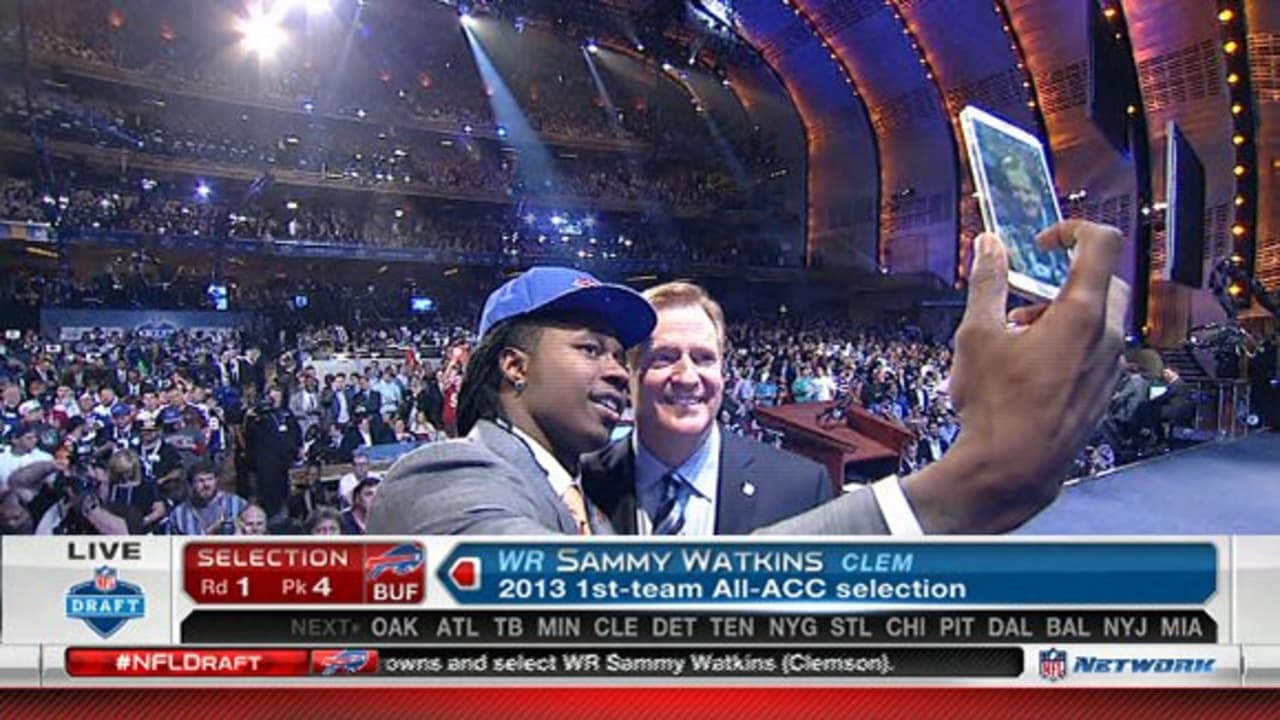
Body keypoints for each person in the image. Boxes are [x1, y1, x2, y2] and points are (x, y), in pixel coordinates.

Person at [371, 220, 1128, 535]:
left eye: (616, 353)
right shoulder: (446, 476)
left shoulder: (572, 491)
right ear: (514, 365)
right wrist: (958, 485)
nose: (615, 371)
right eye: (593, 349)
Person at [581, 281, 833, 535]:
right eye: (664, 358)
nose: (688, 378)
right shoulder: (582, 484)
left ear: (722, 371)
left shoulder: (801, 490)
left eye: (704, 358)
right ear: (629, 373)